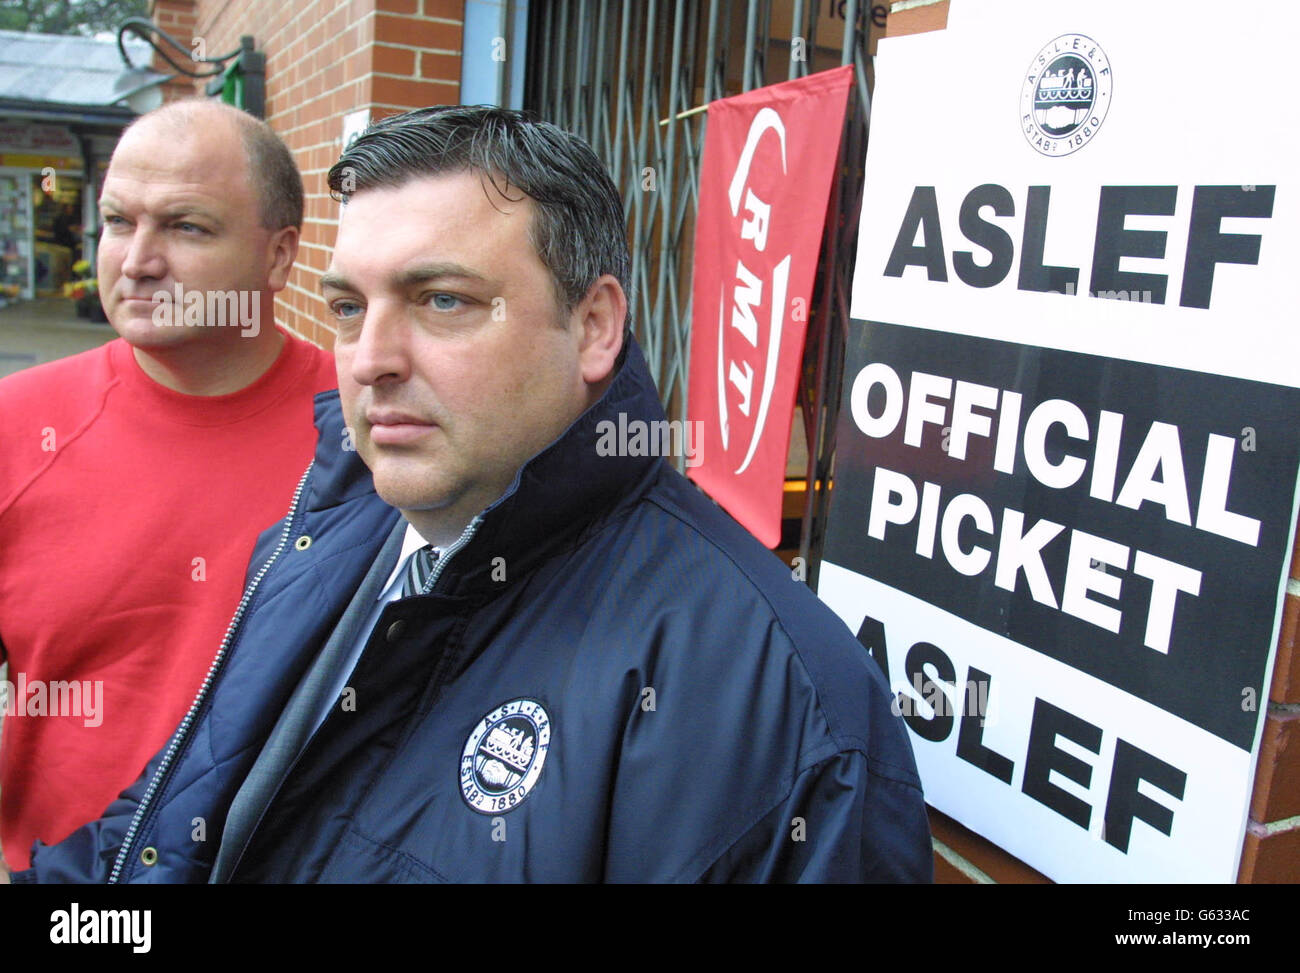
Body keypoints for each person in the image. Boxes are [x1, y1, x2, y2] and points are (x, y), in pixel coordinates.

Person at [14, 106, 931, 883]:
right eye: (348, 307)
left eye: (442, 300)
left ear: (594, 325)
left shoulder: (783, 704)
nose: (370, 359)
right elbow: (164, 828)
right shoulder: (328, 526)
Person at [0, 99, 337, 877]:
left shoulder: (367, 433)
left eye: (187, 227)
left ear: (280, 256)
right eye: (119, 221)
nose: (137, 260)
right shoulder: (19, 427)